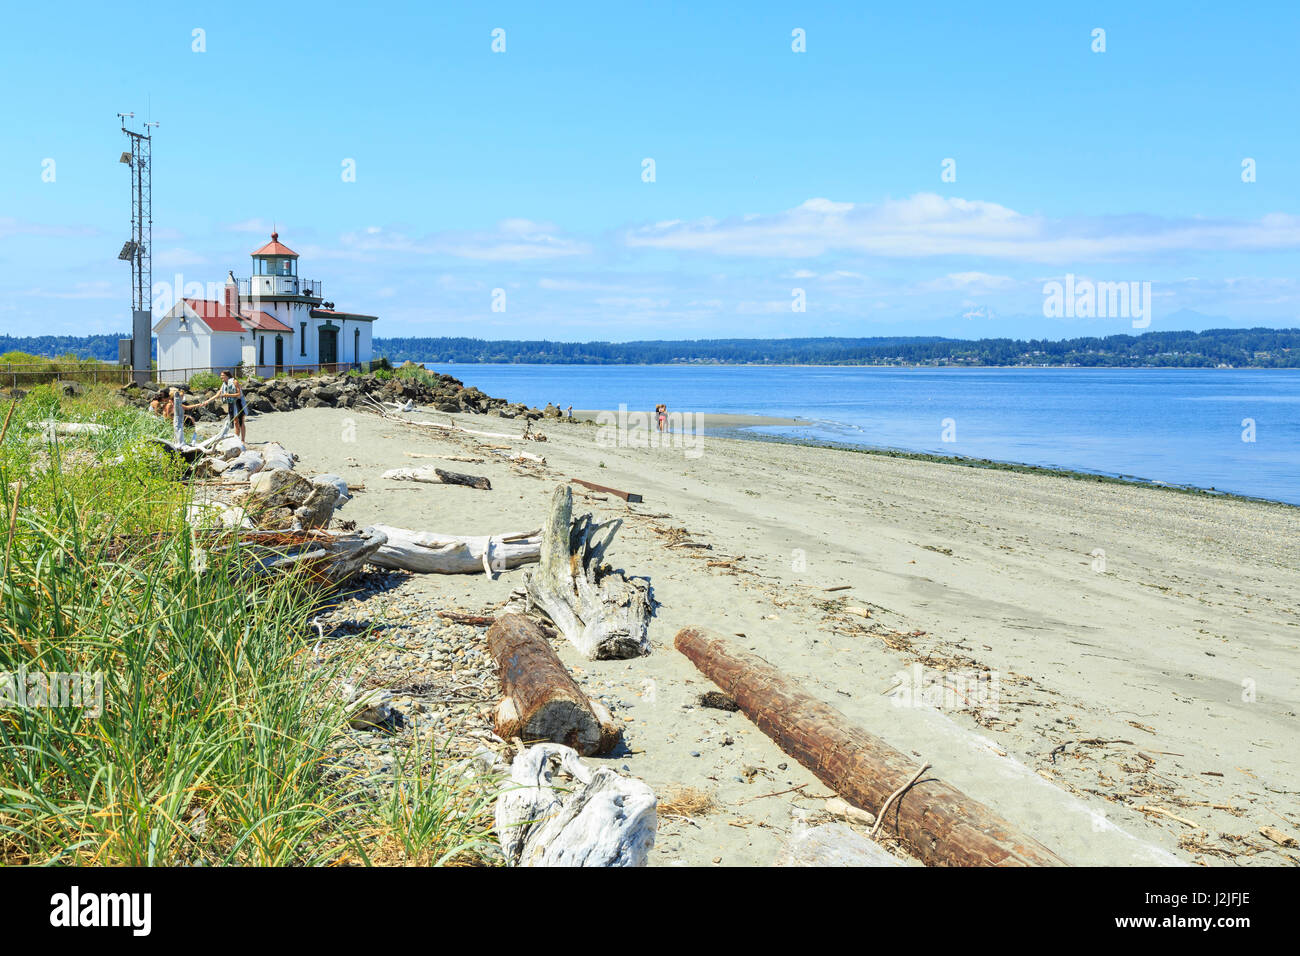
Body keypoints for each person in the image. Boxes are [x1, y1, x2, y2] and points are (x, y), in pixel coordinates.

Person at [198, 370, 247, 443]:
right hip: (231, 403)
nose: (221, 377)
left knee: (241, 422)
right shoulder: (224, 384)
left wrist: (227, 395)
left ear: (227, 376)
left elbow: (239, 394)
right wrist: (207, 401)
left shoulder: (235, 382)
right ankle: (237, 439)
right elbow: (217, 395)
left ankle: (243, 440)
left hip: (239, 403)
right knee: (235, 422)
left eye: (222, 375)